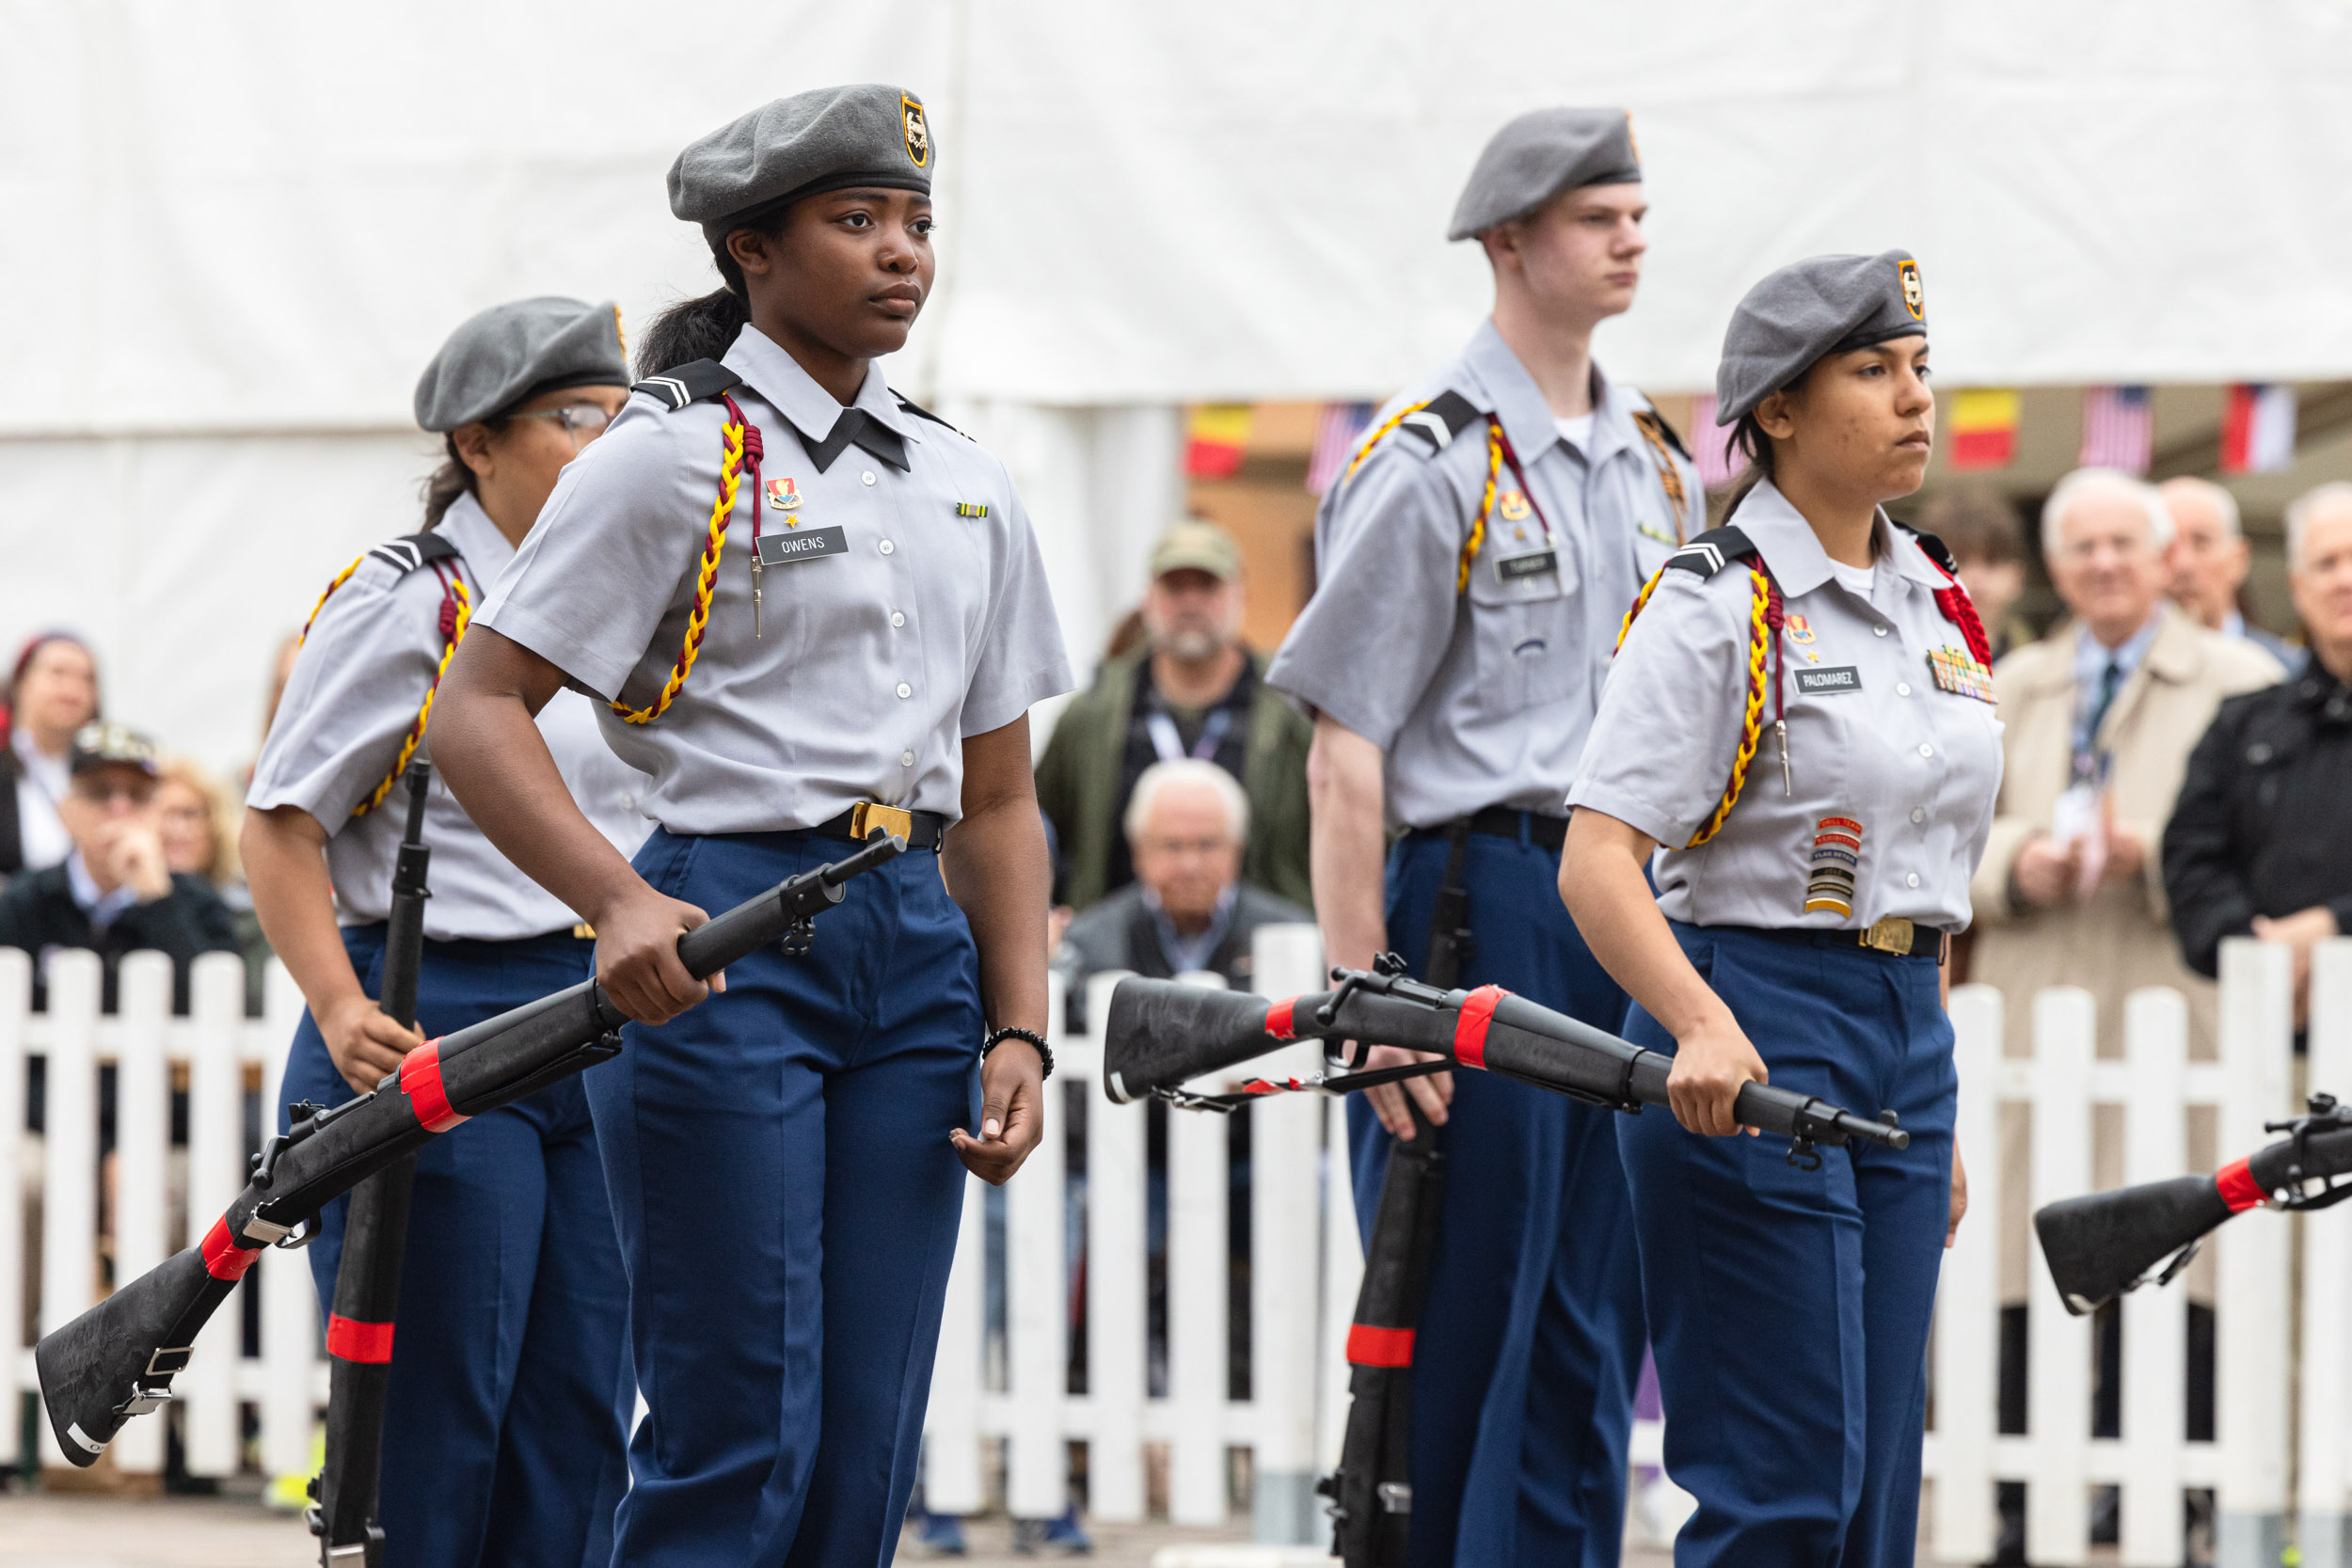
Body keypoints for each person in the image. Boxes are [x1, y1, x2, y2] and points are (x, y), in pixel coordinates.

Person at [426, 86, 1071, 1566]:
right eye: (857, 221)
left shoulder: (969, 481)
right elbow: (479, 706)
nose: (902, 251)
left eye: (916, 221)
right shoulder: (670, 455)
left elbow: (1002, 796)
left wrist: (1021, 1024)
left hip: (916, 947)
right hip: (728, 930)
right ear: (749, 255)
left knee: (863, 1451)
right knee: (741, 1436)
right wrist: (616, 899)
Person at [1266, 106, 1699, 1567]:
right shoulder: (1428, 456)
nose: (1632, 235)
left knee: (1593, 1314)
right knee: (1456, 1316)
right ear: (1509, 242)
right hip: (1479, 899)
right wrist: (1367, 994)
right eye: (1598, 215)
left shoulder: (1652, 457)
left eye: (1637, 211)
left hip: (1615, 906)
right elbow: (1345, 748)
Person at [1560, 249, 1996, 1565]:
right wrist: (1694, 1019)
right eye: (1874, 370)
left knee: (1872, 1495)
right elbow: (1596, 856)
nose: (1915, 395)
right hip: (1754, 1017)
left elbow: (1924, 871)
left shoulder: (1934, 592)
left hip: (1903, 1026)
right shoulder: (1720, 601)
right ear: (1780, 411)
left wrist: (1932, 1099)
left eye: (1919, 365)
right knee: (1786, 1482)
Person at [243, 296, 645, 1568]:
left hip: (592, 1019)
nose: (607, 441)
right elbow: (279, 820)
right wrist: (331, 1000)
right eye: (576, 416)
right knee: (436, 1414)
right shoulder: (411, 600)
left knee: (581, 1413)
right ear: (478, 441)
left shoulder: (627, 590)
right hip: (430, 1018)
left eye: (621, 417)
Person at [1038, 519, 1312, 911]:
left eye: (1206, 586)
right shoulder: (1092, 714)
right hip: (1111, 955)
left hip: (1262, 954)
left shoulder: (1294, 714)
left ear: (1241, 595)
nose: (1190, 602)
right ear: (1148, 598)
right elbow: (1038, 829)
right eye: (1175, 587)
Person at [2166, 482, 2352, 1028]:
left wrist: (2334, 929)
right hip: (2271, 1040)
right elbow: (2190, 858)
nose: (2344, 580)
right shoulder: (2244, 724)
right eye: (2326, 563)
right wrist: (2255, 947)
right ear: (2297, 586)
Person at [1053, 758, 1312, 1027]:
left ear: (1237, 850)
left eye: (1207, 845)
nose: (1190, 865)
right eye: (1172, 845)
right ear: (1137, 852)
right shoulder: (1089, 944)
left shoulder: (1297, 936)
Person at [0, 721, 238, 1011]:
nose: (120, 809)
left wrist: (158, 900)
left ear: (155, 812)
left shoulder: (199, 903)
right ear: (66, 810)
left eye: (137, 795)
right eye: (100, 793)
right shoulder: (23, 902)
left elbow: (218, 1012)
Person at [2162, 474, 2304, 673]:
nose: (2183, 565)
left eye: (2201, 542)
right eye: (2167, 547)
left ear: (2239, 558)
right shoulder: (2119, 679)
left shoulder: (2285, 672)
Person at [0, 634, 103, 876]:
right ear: (22, 682)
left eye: (86, 679)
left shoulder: (108, 772)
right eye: (58, 673)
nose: (72, 689)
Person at [1915, 482, 2034, 657]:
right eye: (1957, 562)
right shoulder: (1897, 651)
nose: (1975, 578)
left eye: (1991, 562)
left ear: (2017, 576)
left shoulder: (2047, 664)